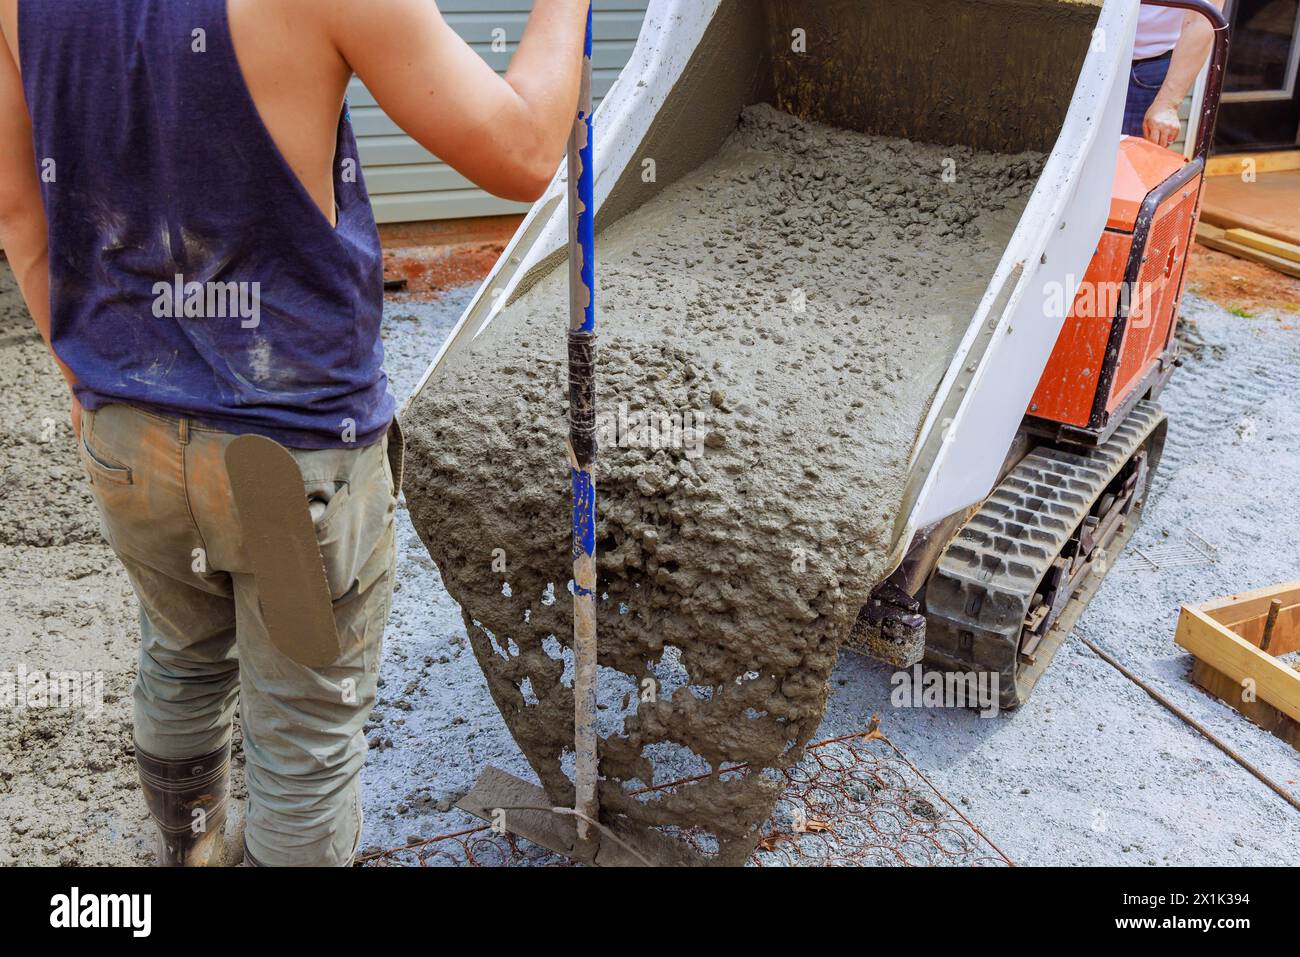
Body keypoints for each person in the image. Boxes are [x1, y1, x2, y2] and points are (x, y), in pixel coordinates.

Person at [0, 0, 590, 866]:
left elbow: (20, 214)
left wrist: (101, 394)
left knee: (180, 655)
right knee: (304, 739)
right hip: (292, 457)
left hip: (128, 438)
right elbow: (525, 148)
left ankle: (192, 854)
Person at [1127, 1, 1226, 148]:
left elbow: (1201, 22)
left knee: (1128, 161)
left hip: (1145, 66)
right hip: (1091, 52)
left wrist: (1167, 104)